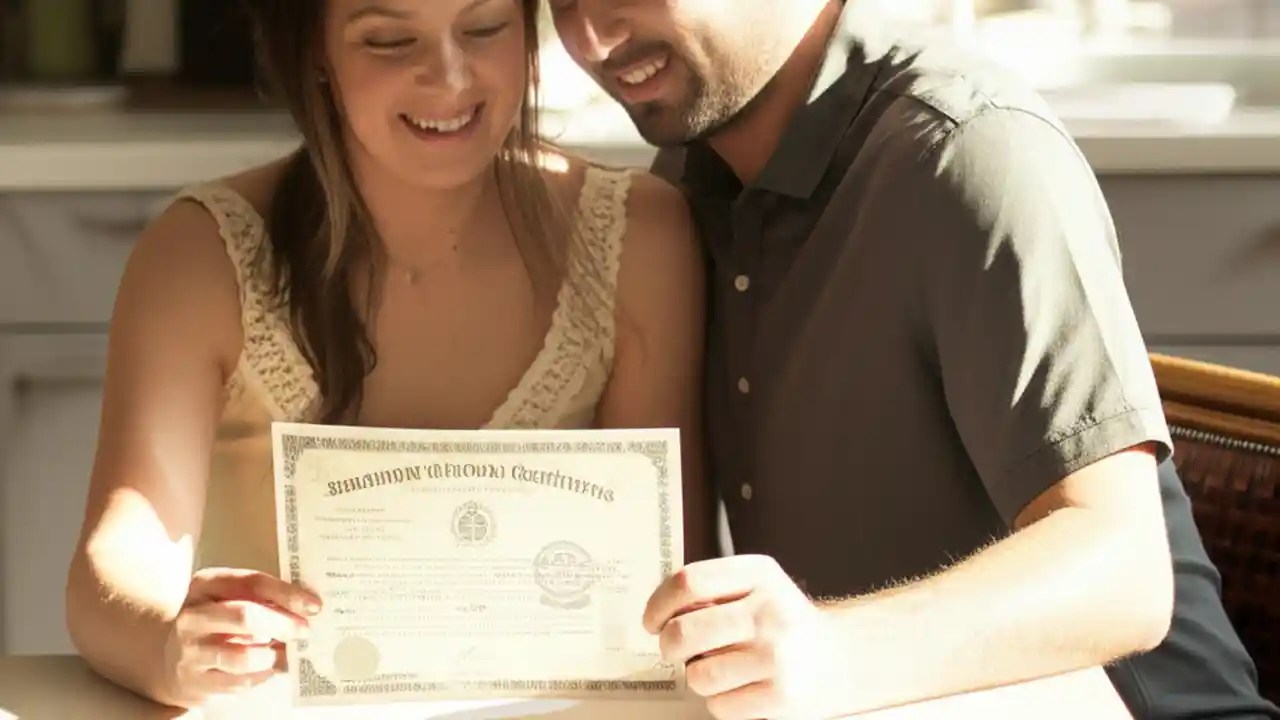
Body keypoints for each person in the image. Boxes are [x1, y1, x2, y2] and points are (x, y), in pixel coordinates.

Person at [549, 1, 1280, 719]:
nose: (591, 34)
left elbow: (1125, 574)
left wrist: (836, 652)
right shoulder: (687, 173)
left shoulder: (968, 151)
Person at [64, 0, 715, 709]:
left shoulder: (639, 239)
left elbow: (675, 584)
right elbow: (112, 578)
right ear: (315, 51)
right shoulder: (200, 257)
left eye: (484, 28)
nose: (448, 77)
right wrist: (170, 647)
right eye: (389, 39)